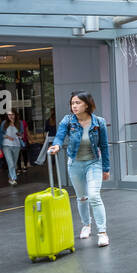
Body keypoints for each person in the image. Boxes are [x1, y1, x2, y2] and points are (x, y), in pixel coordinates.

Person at [48, 92, 111, 246]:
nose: (74, 106)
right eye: (72, 103)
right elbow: (60, 136)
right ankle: (86, 225)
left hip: (93, 163)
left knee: (94, 196)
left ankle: (102, 232)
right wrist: (56, 145)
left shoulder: (99, 122)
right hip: (74, 163)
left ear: (87, 105)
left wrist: (106, 168)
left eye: (77, 103)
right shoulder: (68, 120)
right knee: (82, 197)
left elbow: (103, 145)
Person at [2, 111, 23, 186]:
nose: (11, 116)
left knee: (14, 163)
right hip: (6, 145)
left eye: (12, 114)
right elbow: (0, 133)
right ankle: (14, 179)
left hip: (16, 145)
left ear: (15, 115)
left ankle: (10, 178)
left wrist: (20, 135)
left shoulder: (19, 123)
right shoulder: (4, 123)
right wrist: (7, 137)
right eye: (9, 115)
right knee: (10, 162)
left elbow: (21, 133)